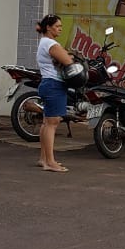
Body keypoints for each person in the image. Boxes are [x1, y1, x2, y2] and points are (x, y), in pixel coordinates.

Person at [35, 14, 76, 173]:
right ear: (48, 27)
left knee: (47, 123)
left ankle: (44, 159)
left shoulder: (44, 42)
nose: (60, 29)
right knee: (52, 123)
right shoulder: (50, 43)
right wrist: (69, 56)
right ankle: (50, 162)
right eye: (57, 26)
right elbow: (68, 61)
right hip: (54, 85)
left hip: (48, 83)